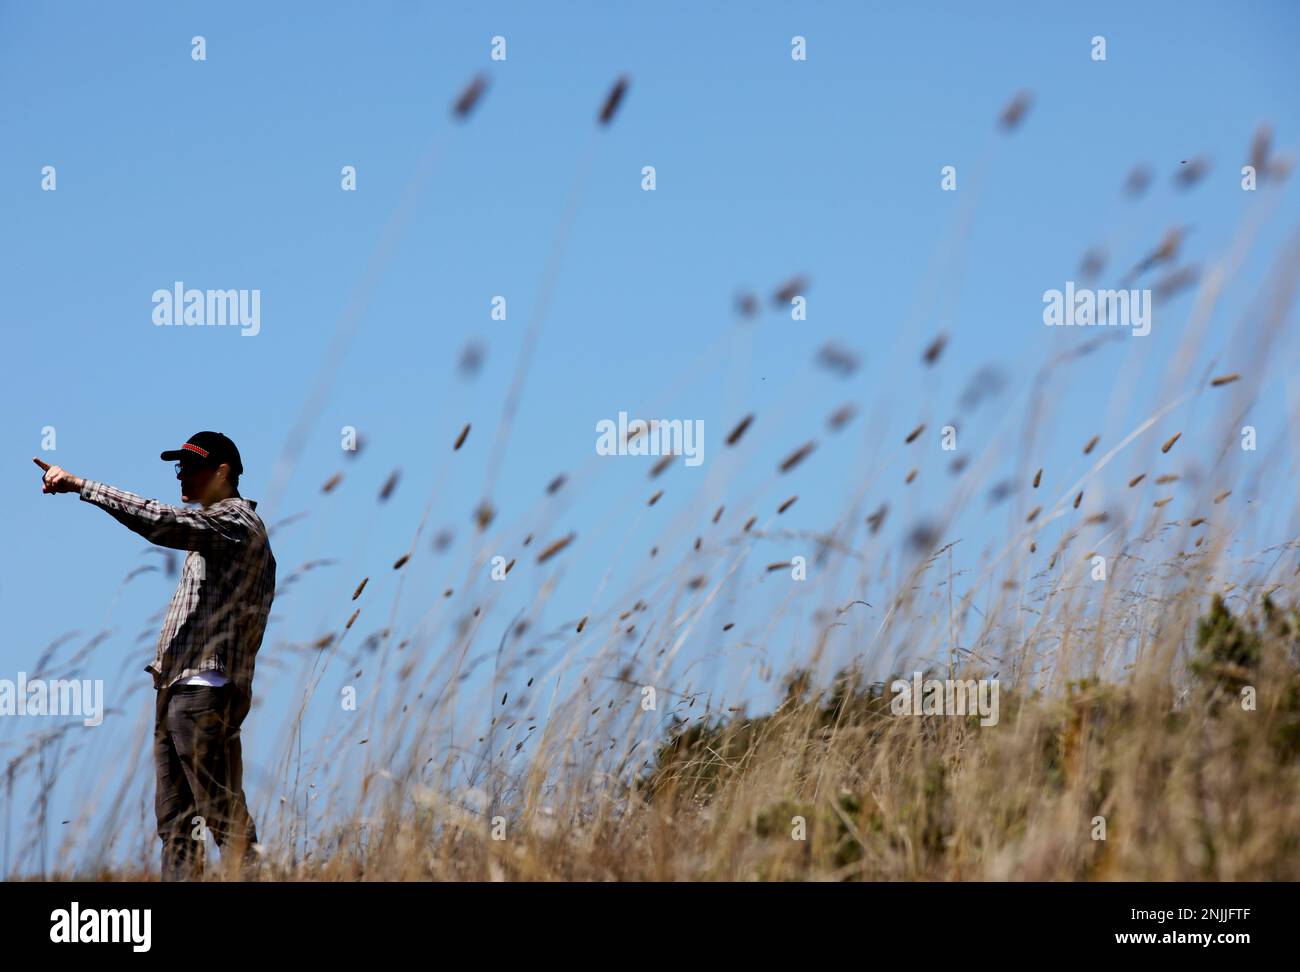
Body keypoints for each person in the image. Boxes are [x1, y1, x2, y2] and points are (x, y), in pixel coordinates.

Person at [32, 431, 276, 881]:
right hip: (178, 690)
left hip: (204, 691)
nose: (182, 474)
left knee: (221, 815)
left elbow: (162, 521)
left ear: (224, 473)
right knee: (176, 827)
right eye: (178, 465)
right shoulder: (217, 529)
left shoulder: (235, 524)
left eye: (193, 465)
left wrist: (82, 486)